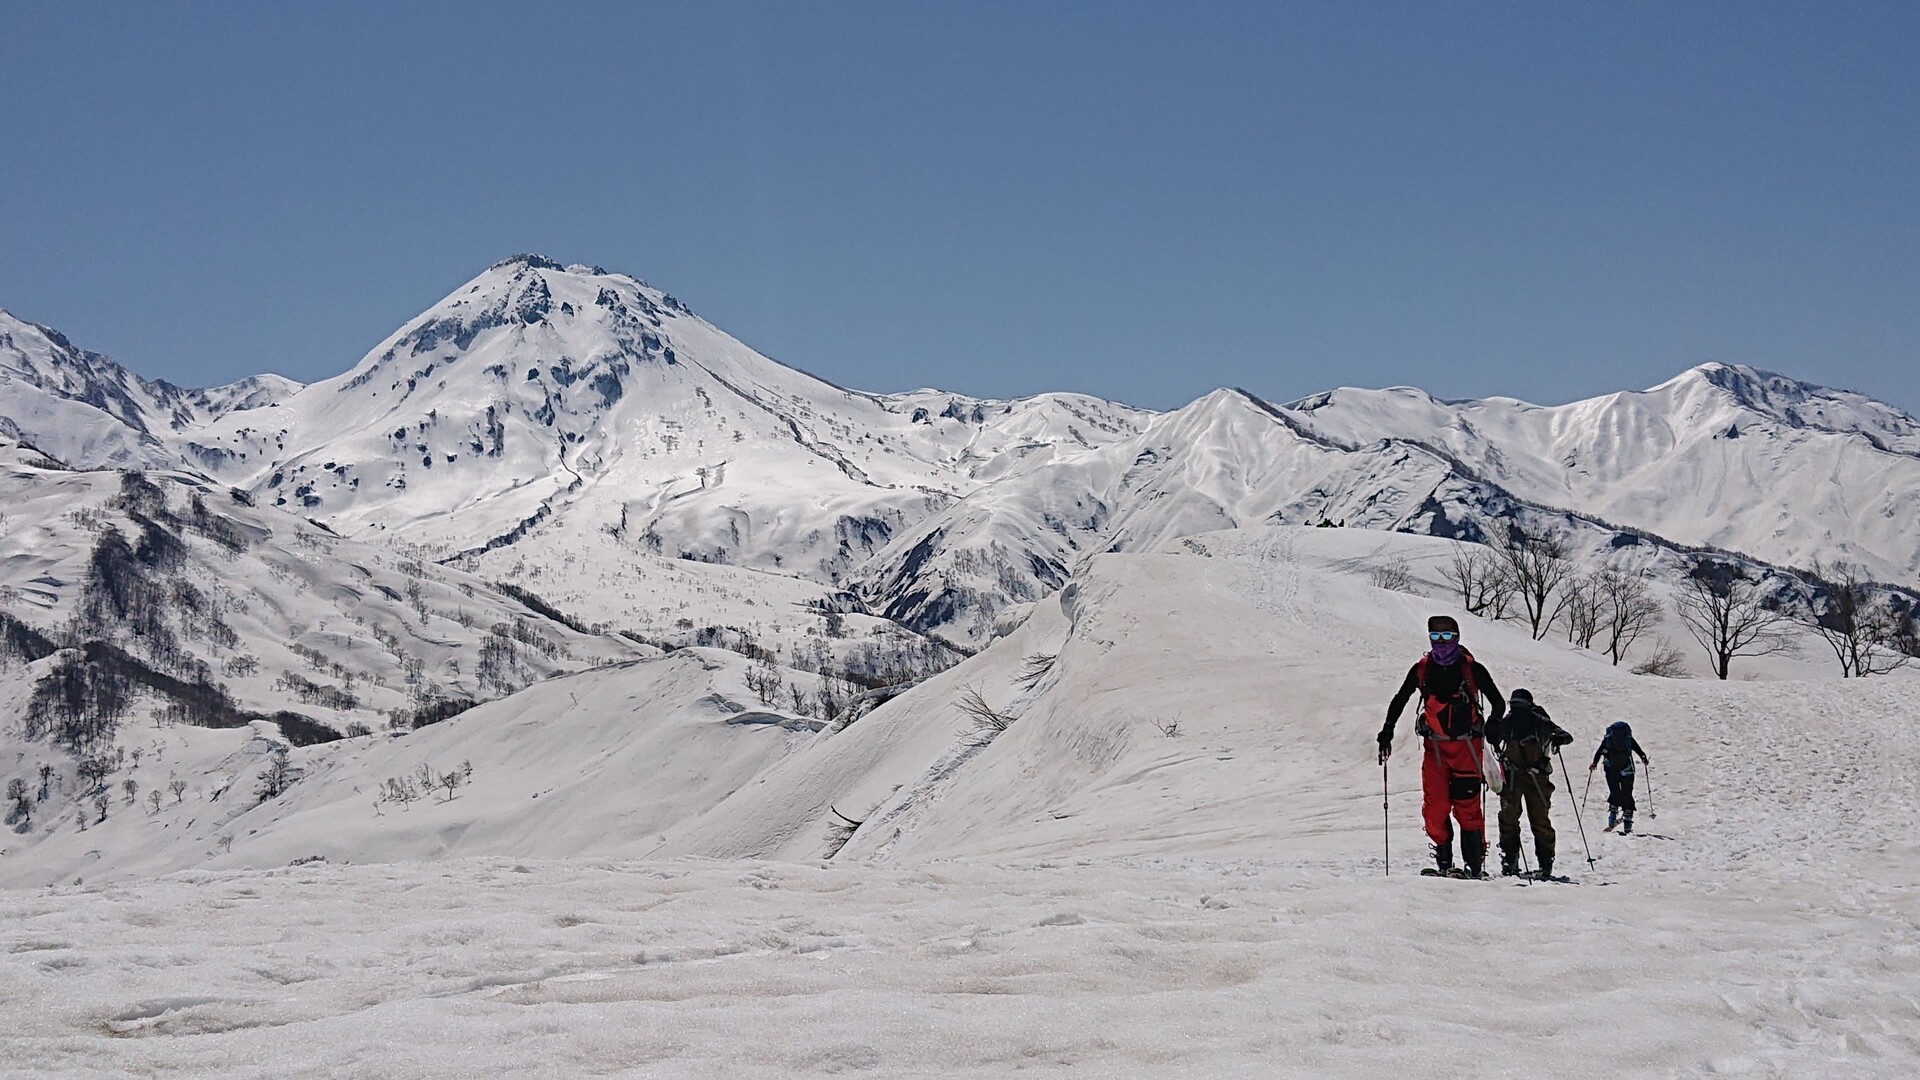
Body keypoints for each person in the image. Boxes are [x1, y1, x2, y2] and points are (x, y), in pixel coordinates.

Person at [1379, 615, 1505, 878]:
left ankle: (1474, 867)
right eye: (1435, 637)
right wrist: (1387, 730)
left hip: (1467, 749)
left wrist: (1494, 723)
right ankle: (1445, 865)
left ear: (1457, 638)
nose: (1441, 643)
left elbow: (1498, 702)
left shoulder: (1472, 669)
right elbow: (1400, 698)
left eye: (1447, 637)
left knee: (1467, 808)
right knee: (1435, 809)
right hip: (1435, 750)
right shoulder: (1422, 670)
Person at [1485, 688, 1573, 877]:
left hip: (1523, 778)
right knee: (1524, 819)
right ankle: (1525, 860)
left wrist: (1559, 737)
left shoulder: (1533, 721)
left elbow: (1564, 735)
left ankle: (1523, 861)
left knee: (1523, 820)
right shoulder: (1529, 721)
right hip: (1524, 778)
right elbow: (1493, 736)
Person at [1590, 721, 1649, 834]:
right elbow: (1638, 750)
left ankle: (1612, 814)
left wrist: (1594, 763)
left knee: (1614, 791)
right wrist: (1643, 758)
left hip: (1611, 771)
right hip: (1627, 770)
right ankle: (1627, 819)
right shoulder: (1628, 739)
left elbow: (1599, 752)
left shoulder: (1608, 740)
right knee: (1627, 793)